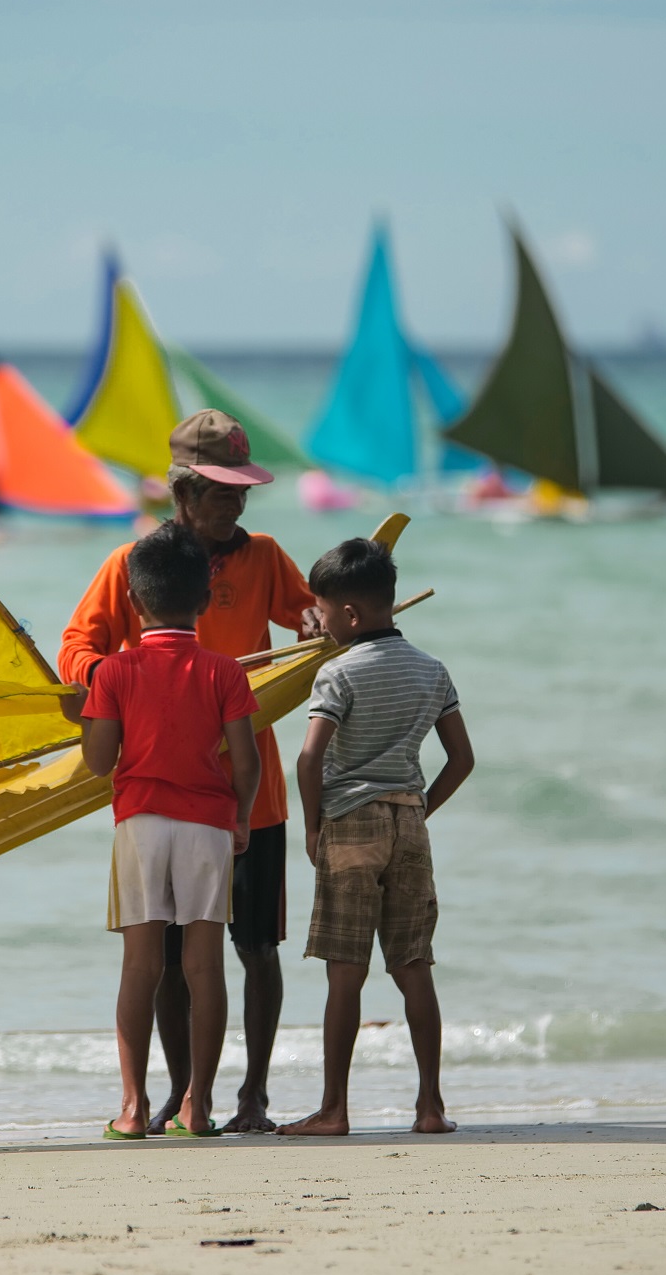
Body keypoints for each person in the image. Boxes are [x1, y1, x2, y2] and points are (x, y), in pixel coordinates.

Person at [58, 408, 322, 1133]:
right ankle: (180, 1094)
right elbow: (76, 647)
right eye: (219, 492)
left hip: (251, 796)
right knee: (171, 958)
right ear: (181, 490)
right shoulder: (132, 565)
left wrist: (321, 624)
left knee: (255, 948)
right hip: (168, 794)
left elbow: (308, 622)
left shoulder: (263, 555)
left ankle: (252, 1096)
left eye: (242, 491)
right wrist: (104, 679)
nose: (235, 504)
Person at [278, 538, 474, 1138]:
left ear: (352, 616)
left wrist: (314, 827)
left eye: (324, 610)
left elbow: (308, 761)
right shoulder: (431, 670)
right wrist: (417, 811)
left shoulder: (337, 672)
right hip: (408, 820)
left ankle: (334, 1109)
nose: (320, 620)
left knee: (346, 973)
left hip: (349, 820)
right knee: (414, 967)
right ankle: (430, 1107)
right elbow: (461, 760)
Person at [76, 522, 262, 1140]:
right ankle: (198, 1106)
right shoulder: (226, 672)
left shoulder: (114, 672)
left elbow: (100, 761)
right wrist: (240, 817)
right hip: (208, 825)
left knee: (140, 967)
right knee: (205, 967)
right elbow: (247, 758)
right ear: (205, 602)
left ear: (132, 602)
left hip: (141, 823)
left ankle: (131, 1110)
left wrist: (90, 714)